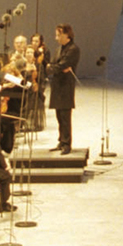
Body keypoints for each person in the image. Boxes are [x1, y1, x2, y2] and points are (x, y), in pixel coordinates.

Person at [51, 26, 81, 154]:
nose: (56, 38)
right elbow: (53, 64)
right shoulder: (59, 49)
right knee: (58, 115)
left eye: (58, 35)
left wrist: (55, 67)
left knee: (65, 116)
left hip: (66, 86)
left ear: (65, 35)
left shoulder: (74, 49)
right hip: (57, 84)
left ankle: (67, 143)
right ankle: (61, 140)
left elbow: (63, 64)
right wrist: (53, 67)